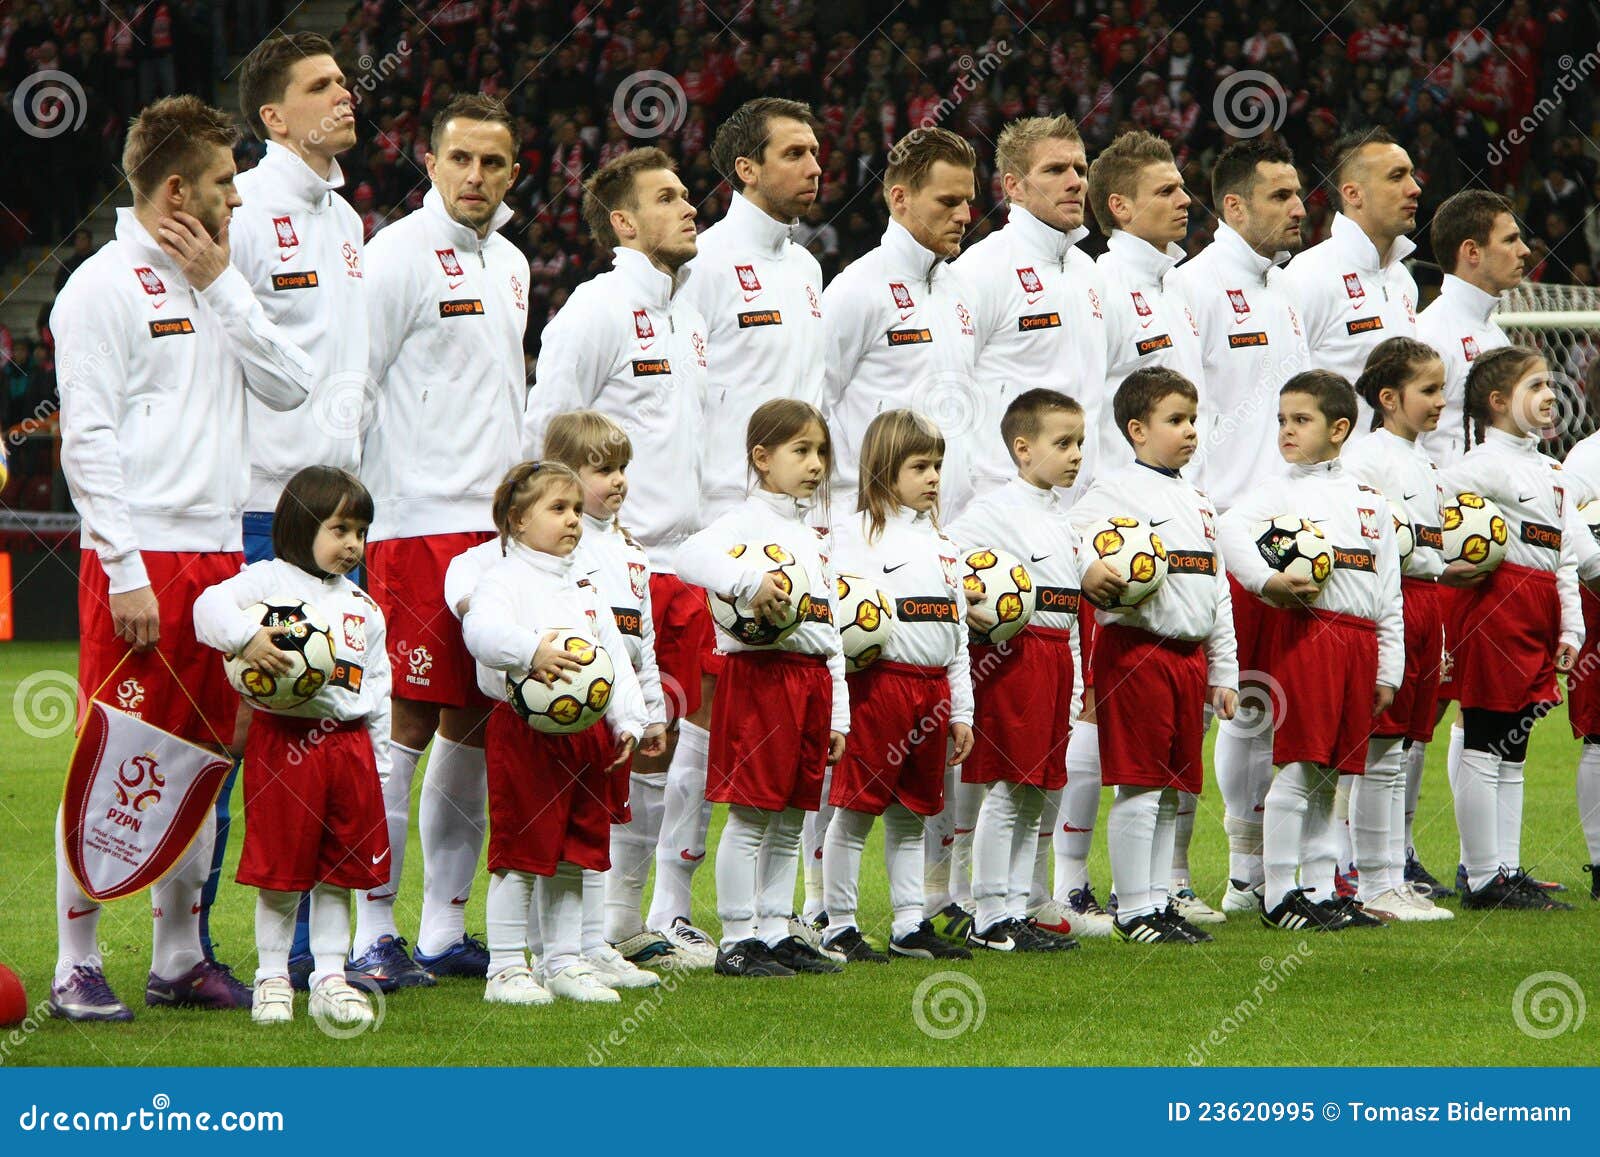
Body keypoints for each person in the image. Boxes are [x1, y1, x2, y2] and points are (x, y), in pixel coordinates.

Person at [51, 94, 313, 1020]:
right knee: (114, 751)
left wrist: (224, 288)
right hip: (142, 558)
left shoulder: (217, 281)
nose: (237, 204)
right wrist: (121, 565)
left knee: (206, 754)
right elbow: (85, 438)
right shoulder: (101, 286)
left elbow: (292, 385)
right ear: (176, 190)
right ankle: (74, 962)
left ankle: (175, 958)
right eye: (225, 187)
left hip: (217, 553)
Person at [521, 147, 714, 965]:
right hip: (607, 569)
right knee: (594, 745)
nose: (690, 207)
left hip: (681, 562)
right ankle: (554, 932)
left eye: (687, 194)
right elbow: (543, 437)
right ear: (625, 222)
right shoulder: (594, 312)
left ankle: (622, 921)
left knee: (658, 745)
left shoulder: (690, 316)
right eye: (668, 198)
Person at [355, 94, 531, 987]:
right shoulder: (392, 256)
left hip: (493, 532)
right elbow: (356, 385)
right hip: (416, 521)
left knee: (477, 722)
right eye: (459, 158)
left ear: (512, 170)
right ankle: (372, 931)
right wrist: (347, 522)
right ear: (430, 161)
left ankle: (439, 929)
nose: (475, 176)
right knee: (406, 723)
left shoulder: (512, 262)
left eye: (492, 163)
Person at [224, 30, 371, 981]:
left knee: (328, 730)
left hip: (339, 519)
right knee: (246, 734)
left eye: (345, 81)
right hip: (259, 511)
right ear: (274, 117)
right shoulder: (244, 210)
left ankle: (317, 952)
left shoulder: (349, 220)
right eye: (321, 87)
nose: (345, 95)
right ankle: (190, 949)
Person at [671, 99, 829, 953]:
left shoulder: (804, 270)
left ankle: (776, 916)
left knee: (782, 740)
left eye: (816, 152)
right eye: (795, 153)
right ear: (745, 170)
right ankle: (671, 908)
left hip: (792, 529)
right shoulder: (706, 261)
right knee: (703, 723)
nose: (814, 166)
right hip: (719, 530)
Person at [947, 114, 1108, 938]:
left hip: (1069, 532)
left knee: (1052, 742)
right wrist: (980, 521)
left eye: (1079, 168)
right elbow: (953, 395)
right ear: (1012, 186)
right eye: (1056, 170)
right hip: (1001, 539)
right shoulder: (982, 271)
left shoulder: (1087, 275)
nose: (1075, 181)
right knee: (997, 745)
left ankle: (1030, 894)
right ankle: (963, 898)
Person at [192, 467, 391, 1025]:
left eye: (361, 532)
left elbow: (379, 687)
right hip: (286, 746)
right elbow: (205, 609)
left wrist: (380, 761)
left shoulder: (363, 607)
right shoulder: (266, 580)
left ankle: (330, 973)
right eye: (339, 528)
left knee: (337, 873)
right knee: (283, 871)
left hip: (348, 750)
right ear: (301, 526)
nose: (352, 543)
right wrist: (246, 640)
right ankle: (272, 978)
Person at [1170, 138, 1311, 918]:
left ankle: (1250, 873)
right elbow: (1173, 418)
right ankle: (1174, 879)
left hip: (1284, 535)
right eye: (1282, 195)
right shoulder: (1195, 289)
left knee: (1260, 705)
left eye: (1298, 194)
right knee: (1207, 708)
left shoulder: (1283, 290)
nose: (1298, 208)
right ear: (1234, 206)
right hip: (1218, 528)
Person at [461, 461, 657, 1004]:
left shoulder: (583, 583)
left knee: (576, 852)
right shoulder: (503, 580)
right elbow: (478, 632)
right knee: (522, 852)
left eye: (575, 509)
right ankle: (504, 968)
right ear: (517, 521)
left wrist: (628, 720)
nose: (572, 520)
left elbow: (613, 654)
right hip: (525, 733)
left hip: (586, 738)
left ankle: (563, 962)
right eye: (558, 509)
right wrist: (530, 651)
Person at [1219, 371, 1402, 932]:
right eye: (1281, 420)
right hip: (1310, 637)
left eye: (1301, 420)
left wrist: (1389, 668)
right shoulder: (1280, 491)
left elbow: (1388, 592)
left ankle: (1321, 889)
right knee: (1300, 766)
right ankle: (1278, 896)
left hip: (1360, 645)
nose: (1286, 431)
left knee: (1332, 775)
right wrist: (1264, 583)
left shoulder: (1372, 504)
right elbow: (1227, 530)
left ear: (1340, 428)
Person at [677, 399, 849, 977]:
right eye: (800, 450)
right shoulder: (743, 525)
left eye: (821, 451)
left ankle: (776, 929)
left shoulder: (812, 535)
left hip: (812, 682)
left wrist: (840, 716)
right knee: (752, 817)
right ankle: (737, 937)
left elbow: (830, 633)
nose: (815, 463)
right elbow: (689, 555)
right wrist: (749, 581)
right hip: (761, 679)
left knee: (792, 816)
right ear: (761, 457)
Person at [1086, 129, 1210, 921]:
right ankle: (1075, 883)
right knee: (1095, 729)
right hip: (1121, 540)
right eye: (1167, 190)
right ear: (1121, 206)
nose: (1184, 199)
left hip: (1180, 525)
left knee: (1172, 754)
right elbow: (1088, 411)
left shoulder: (1174, 291)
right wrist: (1106, 528)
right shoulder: (1101, 286)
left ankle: (1162, 888)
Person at [1071, 368, 1238, 944]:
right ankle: (1134, 908)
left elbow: (1217, 589)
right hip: (1137, 652)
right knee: (1139, 784)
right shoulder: (1113, 492)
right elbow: (1064, 542)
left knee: (1172, 786)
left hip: (1190, 659)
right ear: (1137, 430)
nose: (1190, 431)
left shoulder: (1198, 499)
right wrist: (1085, 569)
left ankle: (1158, 897)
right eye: (1176, 421)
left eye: (1193, 420)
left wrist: (1226, 671)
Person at [1439, 347, 1595, 911]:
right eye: (1536, 385)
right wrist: (1446, 561)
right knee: (1485, 739)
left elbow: (1567, 559)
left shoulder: (1549, 471)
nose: (1551, 394)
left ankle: (1506, 867)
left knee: (1516, 746)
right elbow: (1437, 505)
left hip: (1539, 609)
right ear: (1500, 403)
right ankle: (1482, 878)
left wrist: (1571, 628)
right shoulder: (1481, 466)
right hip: (1496, 605)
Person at [821, 410, 975, 963]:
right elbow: (836, 615)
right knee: (857, 810)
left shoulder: (944, 544)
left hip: (932, 691)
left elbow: (957, 635)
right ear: (884, 470)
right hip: (880, 688)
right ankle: (838, 923)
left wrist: (963, 711)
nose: (934, 477)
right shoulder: (853, 533)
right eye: (919, 466)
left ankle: (910, 923)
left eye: (938, 465)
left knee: (913, 812)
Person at [946, 388, 1089, 948]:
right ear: (1023, 448)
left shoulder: (1061, 517)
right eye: (1063, 443)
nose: (1076, 453)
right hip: (1014, 660)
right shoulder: (992, 510)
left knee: (1037, 793)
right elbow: (948, 563)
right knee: (1009, 789)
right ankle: (987, 915)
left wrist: (1075, 678)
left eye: (1080, 442)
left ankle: (1015, 906)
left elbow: (1073, 615)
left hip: (1055, 659)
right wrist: (976, 606)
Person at [542, 410, 671, 981]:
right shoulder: (561, 551)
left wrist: (653, 713)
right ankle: (547, 953)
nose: (617, 481)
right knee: (560, 832)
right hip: (572, 714)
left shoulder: (634, 554)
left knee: (601, 828)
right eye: (602, 470)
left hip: (618, 718)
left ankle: (593, 944)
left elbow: (641, 641)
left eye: (622, 469)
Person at [1343, 339, 1462, 920]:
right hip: (1391, 605)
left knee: (1401, 749)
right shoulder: (1367, 461)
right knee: (1381, 751)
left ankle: (1392, 874)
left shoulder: (1423, 460)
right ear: (1389, 398)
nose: (1442, 401)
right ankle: (1371, 881)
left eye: (1442, 388)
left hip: (1427, 604)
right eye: (1429, 390)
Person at [820, 127, 981, 518]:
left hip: (952, 529)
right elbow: (815, 406)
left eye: (968, 201)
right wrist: (846, 510)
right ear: (900, 198)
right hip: (874, 527)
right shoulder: (855, 289)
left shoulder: (962, 290)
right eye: (948, 201)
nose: (964, 216)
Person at [1279, 128, 1421, 437]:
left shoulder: (1403, 280)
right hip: (1332, 480)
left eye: (1411, 175)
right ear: (1353, 194)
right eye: (1396, 177)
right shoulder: (1307, 277)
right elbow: (1276, 397)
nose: (1414, 189)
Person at [1416, 190, 1528, 465]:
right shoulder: (1428, 336)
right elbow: (1409, 446)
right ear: (1472, 252)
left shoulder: (1494, 333)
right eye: (1510, 240)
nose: (1524, 250)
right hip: (1451, 502)